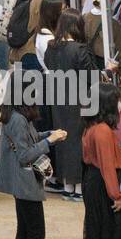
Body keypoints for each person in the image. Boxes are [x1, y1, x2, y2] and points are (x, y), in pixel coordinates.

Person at [0, 102, 65, 239]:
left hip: (20, 180)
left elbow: (30, 138)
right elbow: (24, 155)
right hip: (25, 181)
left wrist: (50, 135)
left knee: (25, 231)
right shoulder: (18, 118)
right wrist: (48, 141)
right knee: (36, 234)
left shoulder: (16, 114)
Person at [45, 10, 101, 199]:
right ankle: (78, 187)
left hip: (58, 99)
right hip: (80, 101)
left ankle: (68, 185)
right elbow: (91, 76)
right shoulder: (80, 49)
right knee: (79, 141)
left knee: (62, 139)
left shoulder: (51, 47)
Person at [82, 84, 121, 239]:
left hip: (94, 183)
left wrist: (119, 153)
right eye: (117, 100)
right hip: (103, 189)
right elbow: (107, 167)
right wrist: (116, 195)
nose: (120, 104)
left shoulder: (92, 126)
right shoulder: (103, 130)